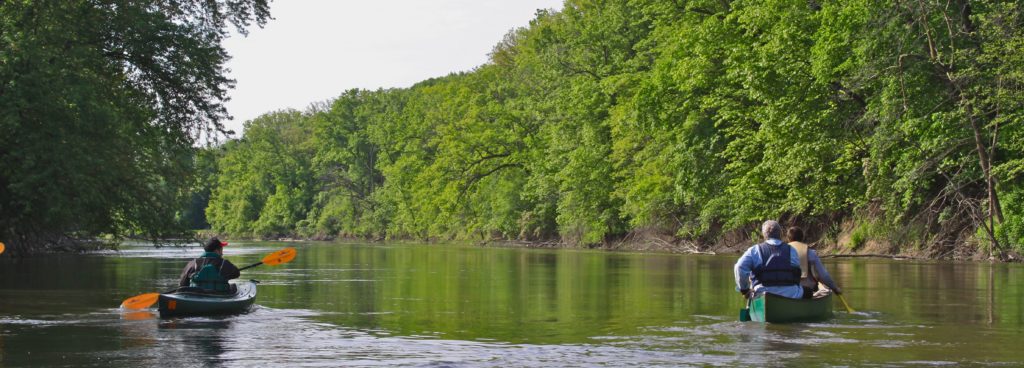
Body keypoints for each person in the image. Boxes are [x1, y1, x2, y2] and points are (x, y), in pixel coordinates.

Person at [734, 220, 803, 299]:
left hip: (762, 294)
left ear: (764, 235)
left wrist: (745, 290)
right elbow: (797, 272)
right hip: (791, 295)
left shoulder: (755, 250)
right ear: (780, 234)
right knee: (808, 292)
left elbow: (739, 267)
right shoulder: (792, 250)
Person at [786, 226, 842, 298]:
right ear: (802, 238)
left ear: (788, 239)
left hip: (787, 291)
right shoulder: (810, 253)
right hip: (806, 291)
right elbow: (824, 275)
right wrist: (835, 288)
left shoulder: (781, 252)